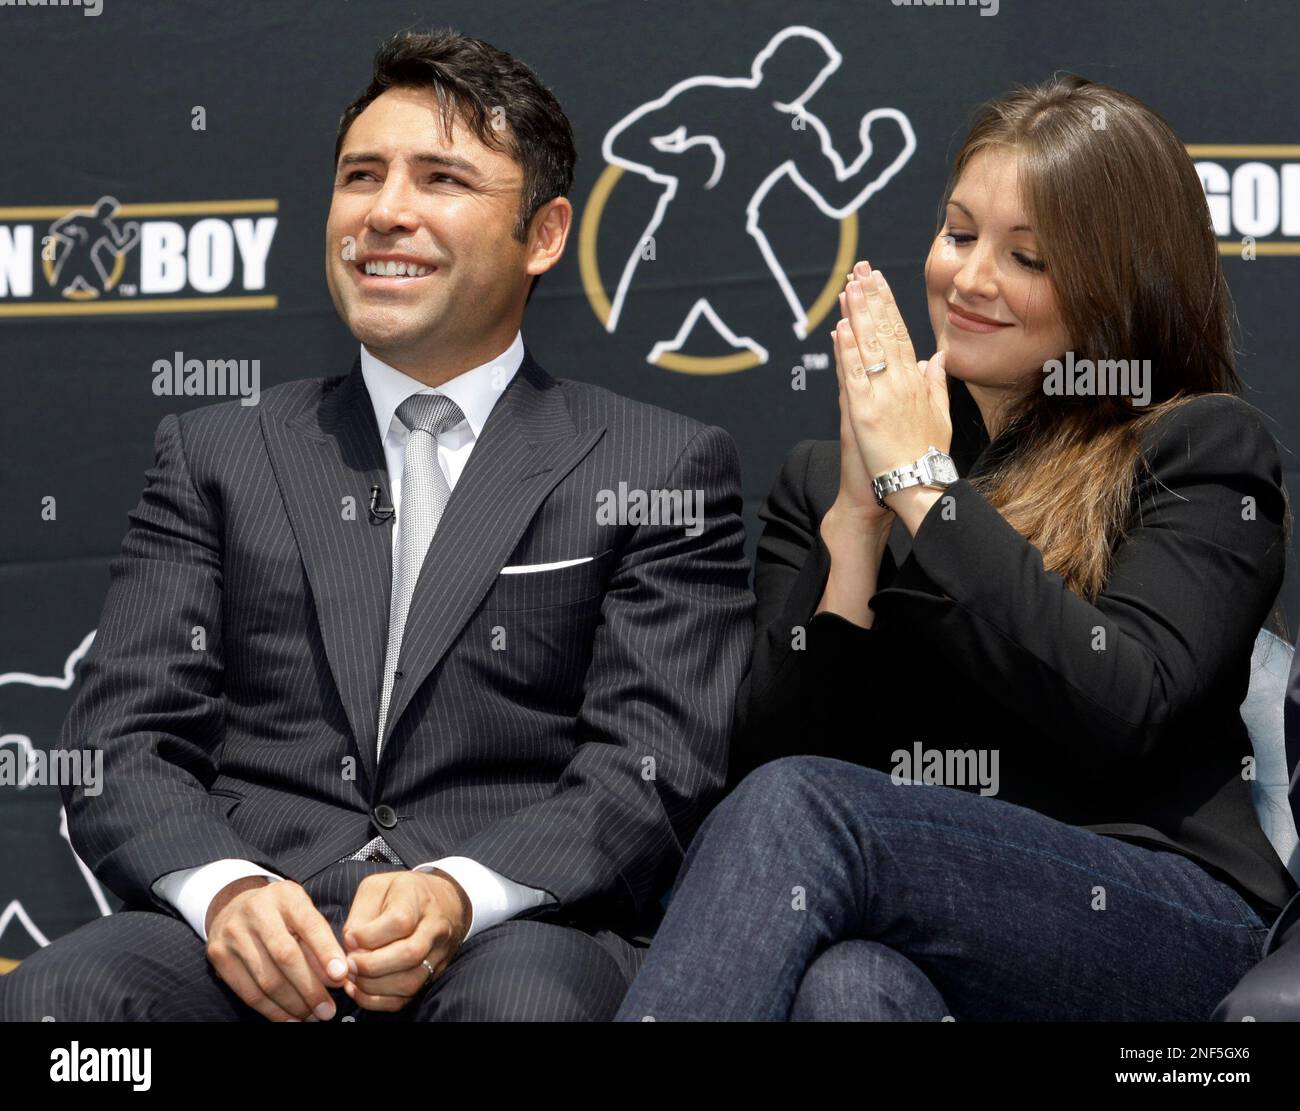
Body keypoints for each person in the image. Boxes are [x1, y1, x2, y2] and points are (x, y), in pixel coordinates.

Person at [0, 28, 752, 1023]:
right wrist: (223, 890)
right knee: (62, 1004)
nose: (385, 213)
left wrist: (458, 891)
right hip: (255, 925)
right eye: (361, 176)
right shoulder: (218, 450)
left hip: (512, 934)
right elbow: (123, 739)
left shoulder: (658, 466)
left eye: (441, 179)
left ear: (544, 233)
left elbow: (652, 769)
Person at [614, 72, 1297, 1022]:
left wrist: (925, 489)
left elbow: (1123, 709)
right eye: (959, 233)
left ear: (1123, 280)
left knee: (809, 811)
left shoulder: (1201, 448)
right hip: (921, 921)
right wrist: (857, 524)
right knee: (848, 991)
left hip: (1156, 916)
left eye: (1029, 257)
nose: (971, 278)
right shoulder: (828, 477)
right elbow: (766, 766)